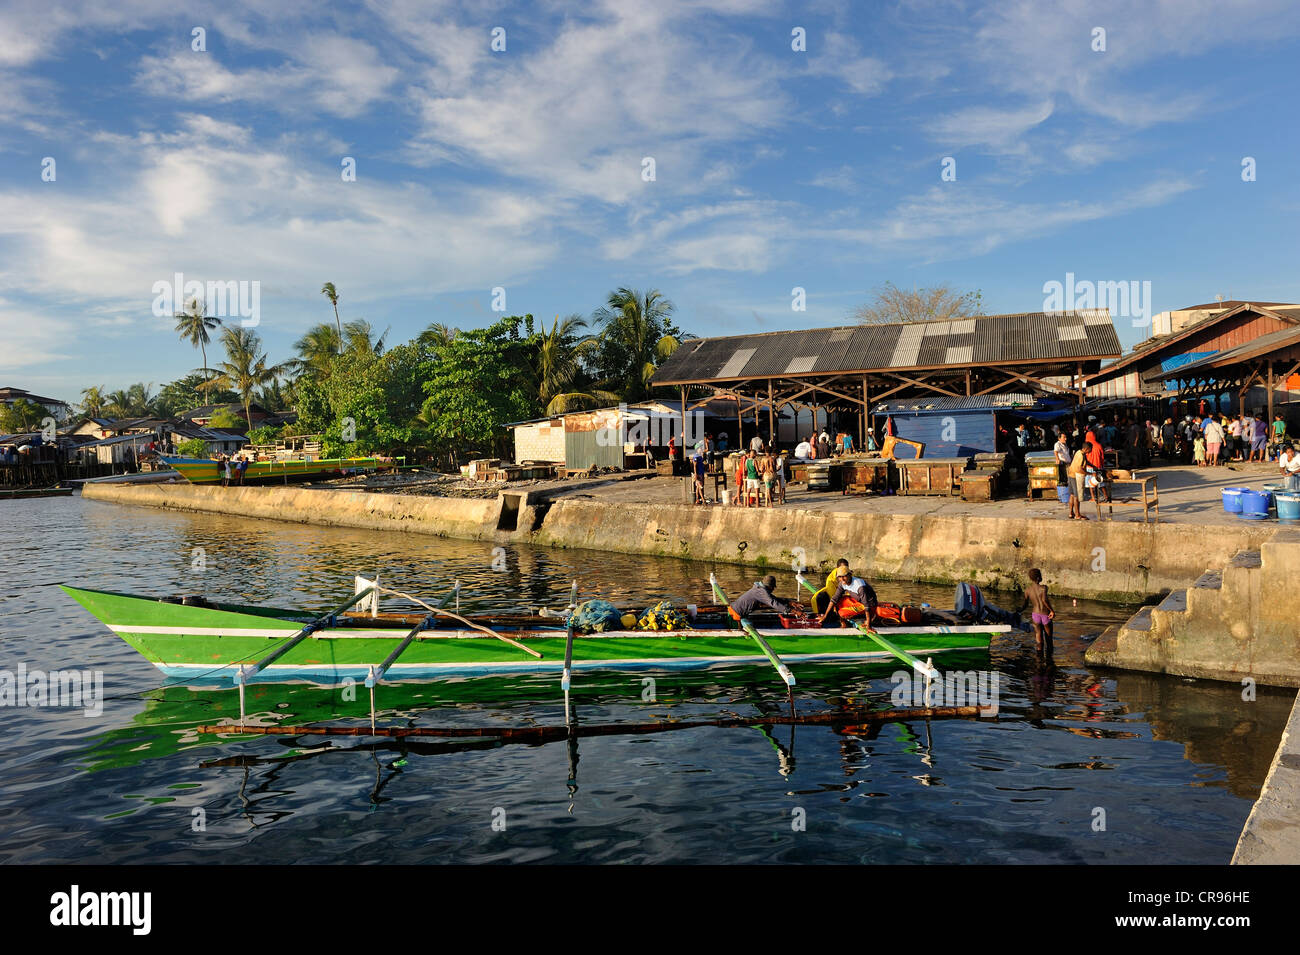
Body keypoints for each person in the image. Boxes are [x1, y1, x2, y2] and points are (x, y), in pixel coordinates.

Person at [817, 559, 878, 627]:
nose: (842, 579)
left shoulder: (860, 586)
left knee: (842, 613)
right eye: (840, 577)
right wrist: (825, 616)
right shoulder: (842, 583)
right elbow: (834, 599)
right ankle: (843, 623)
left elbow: (867, 606)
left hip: (869, 604)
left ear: (849, 575)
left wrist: (868, 625)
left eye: (844, 576)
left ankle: (869, 617)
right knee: (837, 601)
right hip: (858, 600)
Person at [1018, 568, 1055, 655]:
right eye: (1040, 575)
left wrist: (1020, 610)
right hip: (1045, 614)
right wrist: (1052, 611)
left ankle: (1039, 660)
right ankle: (1049, 661)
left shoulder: (1027, 590)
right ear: (1038, 578)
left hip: (1035, 615)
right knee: (1049, 640)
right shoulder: (1044, 588)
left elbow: (1025, 605)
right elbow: (1044, 600)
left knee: (1039, 640)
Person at [730, 575, 794, 618]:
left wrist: (789, 602)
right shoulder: (761, 591)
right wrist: (791, 611)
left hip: (733, 609)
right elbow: (773, 603)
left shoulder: (759, 589)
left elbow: (774, 598)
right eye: (773, 587)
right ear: (770, 587)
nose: (773, 589)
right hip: (736, 614)